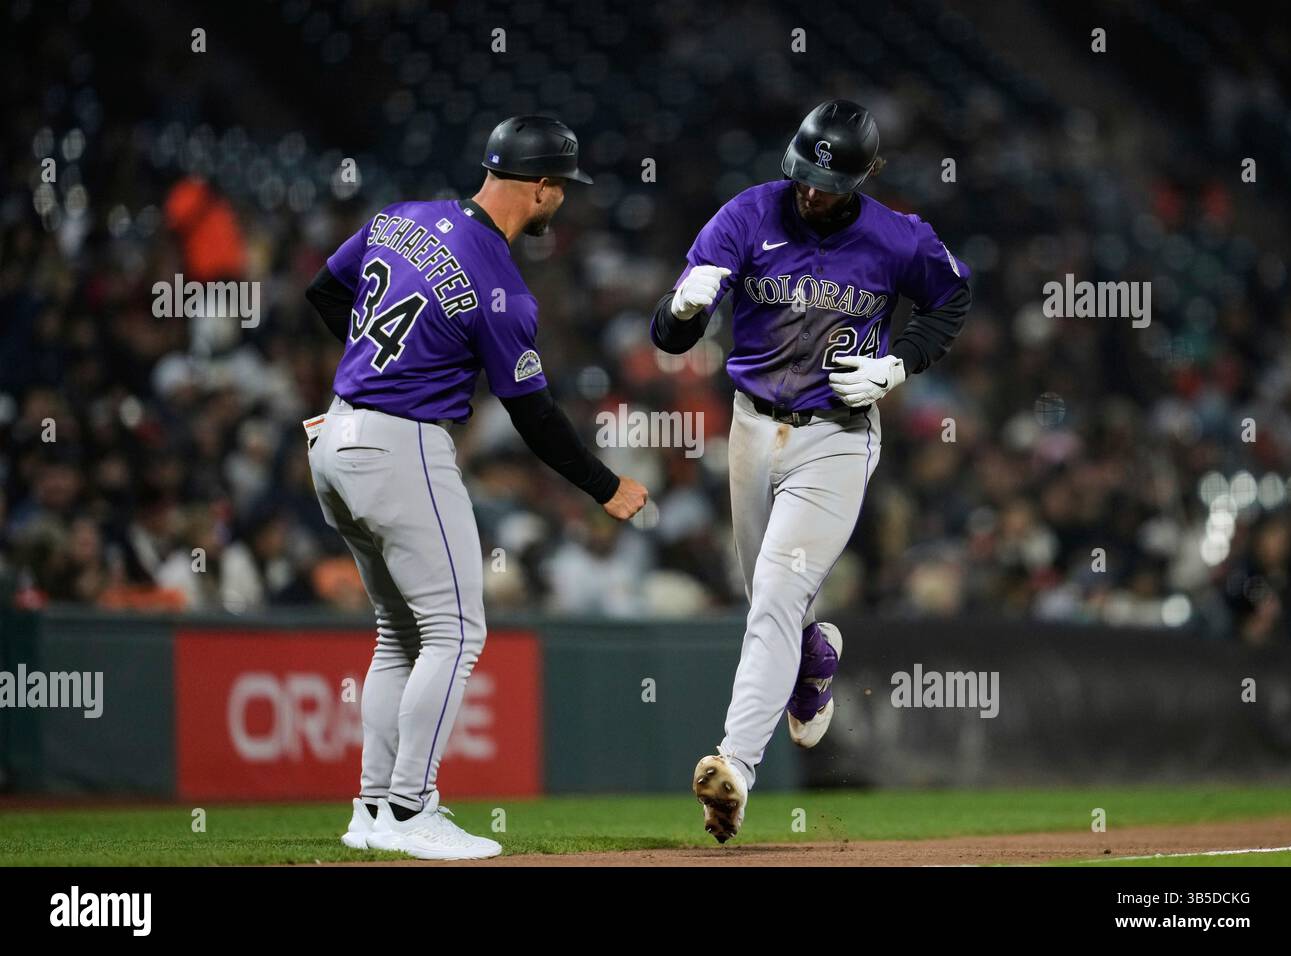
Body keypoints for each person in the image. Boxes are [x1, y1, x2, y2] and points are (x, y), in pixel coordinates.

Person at [305, 115, 648, 860]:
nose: (563, 203)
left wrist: (381, 367)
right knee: (457, 632)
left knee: (400, 634)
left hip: (334, 435)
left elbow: (324, 292)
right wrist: (605, 485)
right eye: (563, 189)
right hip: (400, 445)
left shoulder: (401, 216)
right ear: (543, 187)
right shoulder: (500, 284)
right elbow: (534, 415)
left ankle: (369, 810)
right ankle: (411, 808)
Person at [650, 99, 972, 842]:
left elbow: (952, 297)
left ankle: (734, 767)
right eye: (803, 176)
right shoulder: (746, 215)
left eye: (828, 182)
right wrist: (681, 309)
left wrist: (899, 363)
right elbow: (667, 337)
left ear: (865, 176)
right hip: (752, 428)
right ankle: (813, 661)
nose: (811, 192)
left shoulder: (897, 237)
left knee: (773, 591)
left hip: (837, 435)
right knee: (769, 600)